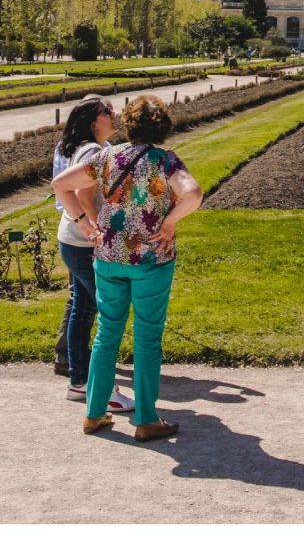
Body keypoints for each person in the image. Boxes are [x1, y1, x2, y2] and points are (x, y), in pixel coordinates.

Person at [53, 95, 202, 441]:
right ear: (162, 126)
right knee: (147, 338)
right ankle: (146, 419)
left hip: (107, 255)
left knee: (107, 334)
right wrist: (169, 223)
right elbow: (192, 194)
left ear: (130, 124)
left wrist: (85, 223)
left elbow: (61, 185)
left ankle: (93, 413)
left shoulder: (107, 156)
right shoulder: (164, 161)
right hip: (151, 259)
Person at [50, 97, 133, 414]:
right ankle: (104, 390)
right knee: (110, 313)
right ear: (93, 120)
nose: (114, 115)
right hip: (85, 246)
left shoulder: (87, 146)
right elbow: (83, 196)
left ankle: (79, 382)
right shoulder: (94, 152)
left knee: (82, 309)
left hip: (73, 242)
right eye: (107, 112)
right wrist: (98, 232)